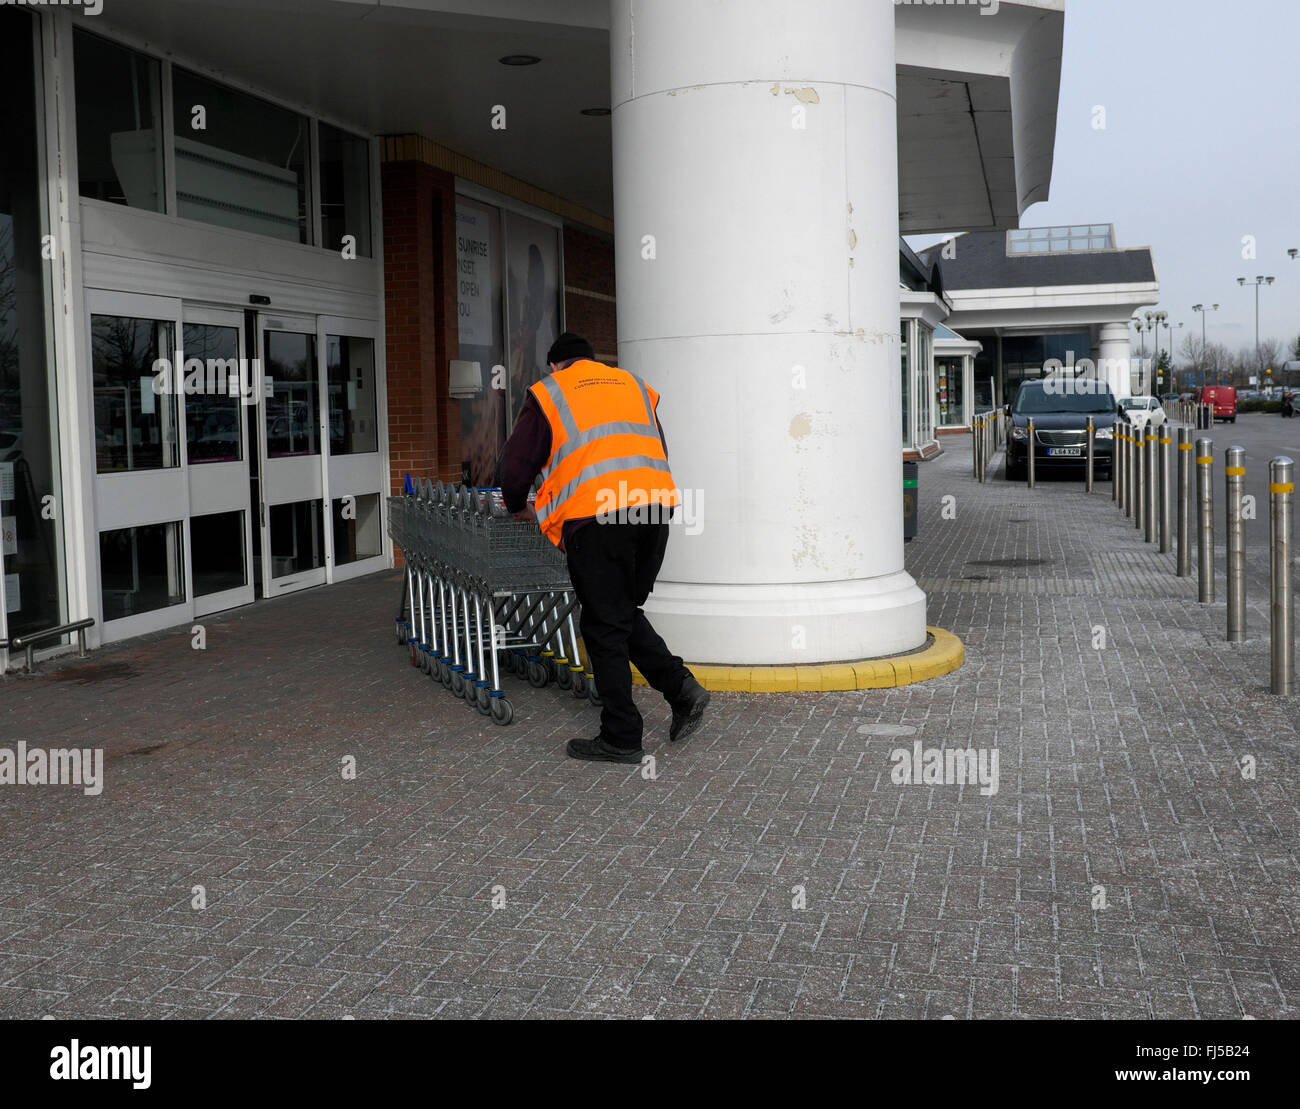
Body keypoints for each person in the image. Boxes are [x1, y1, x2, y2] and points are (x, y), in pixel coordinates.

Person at [499, 332, 710, 764]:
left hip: (600, 518)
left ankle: (622, 735)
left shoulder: (549, 392)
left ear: (555, 365)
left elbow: (515, 465)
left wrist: (519, 505)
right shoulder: (634, 386)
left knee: (603, 626)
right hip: (653, 512)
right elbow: (654, 448)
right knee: (618, 614)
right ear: (592, 361)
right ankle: (682, 690)